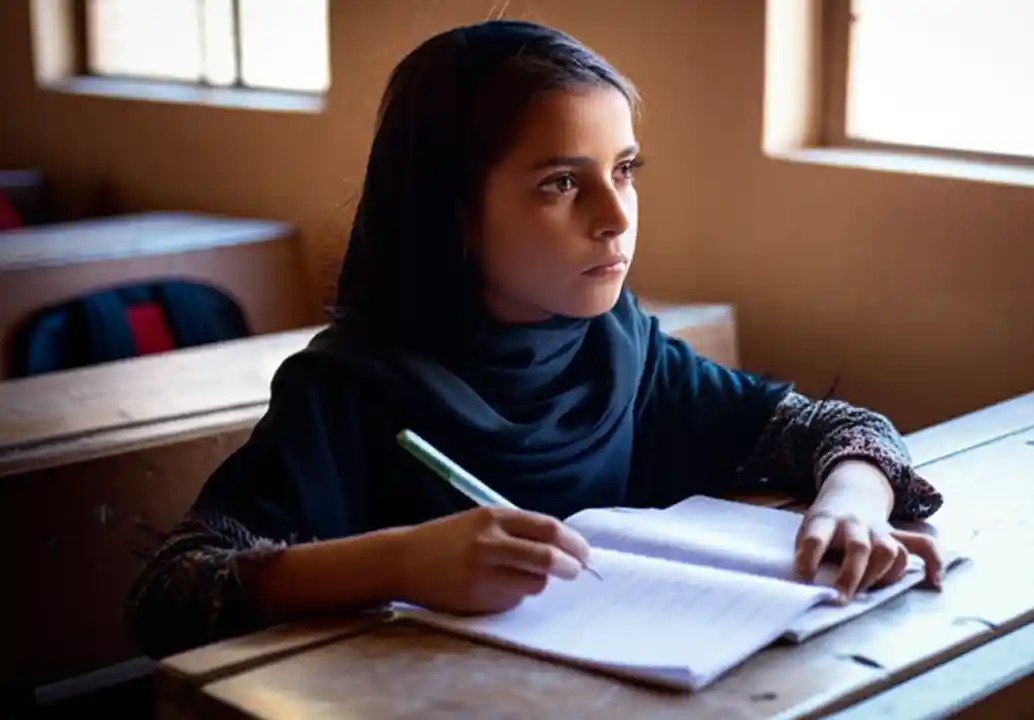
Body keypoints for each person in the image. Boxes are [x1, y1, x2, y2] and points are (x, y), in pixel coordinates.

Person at [125, 19, 946, 659]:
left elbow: (842, 428)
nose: (615, 216)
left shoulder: (620, 352)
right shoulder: (349, 389)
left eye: (624, 170)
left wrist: (852, 505)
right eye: (561, 182)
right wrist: (398, 564)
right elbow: (172, 594)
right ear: (453, 213)